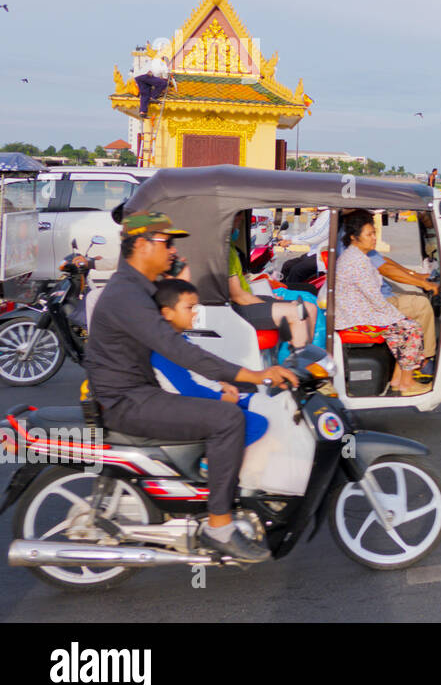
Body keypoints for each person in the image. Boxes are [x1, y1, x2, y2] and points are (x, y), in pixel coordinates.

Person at [83, 213, 297, 562]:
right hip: (129, 402)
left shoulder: (139, 288)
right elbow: (178, 349)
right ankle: (219, 526)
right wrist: (254, 375)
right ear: (140, 245)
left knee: (231, 410)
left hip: (137, 393)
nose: (172, 251)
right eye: (166, 243)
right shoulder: (128, 295)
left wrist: (231, 377)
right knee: (227, 420)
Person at [151, 278, 268, 447]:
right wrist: (221, 398)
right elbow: (188, 390)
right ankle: (211, 462)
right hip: (189, 407)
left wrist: (220, 384)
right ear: (167, 313)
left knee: (262, 403)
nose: (195, 313)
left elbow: (197, 373)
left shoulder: (180, 339)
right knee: (257, 423)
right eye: (189, 308)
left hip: (207, 395)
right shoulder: (164, 350)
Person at [335, 212, 430, 395]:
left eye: (374, 233)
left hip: (359, 310)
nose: (374, 238)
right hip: (356, 318)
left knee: (406, 324)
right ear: (355, 238)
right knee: (411, 328)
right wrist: (398, 317)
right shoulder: (357, 261)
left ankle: (397, 379)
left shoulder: (358, 256)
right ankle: (407, 383)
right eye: (369, 235)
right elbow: (376, 299)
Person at [228, 216, 315, 347]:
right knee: (299, 313)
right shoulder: (224, 252)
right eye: (237, 222)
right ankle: (294, 363)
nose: (238, 227)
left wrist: (271, 300)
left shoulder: (232, 249)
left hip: (246, 301)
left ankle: (306, 360)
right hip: (236, 308)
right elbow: (237, 296)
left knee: (310, 308)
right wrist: (268, 302)